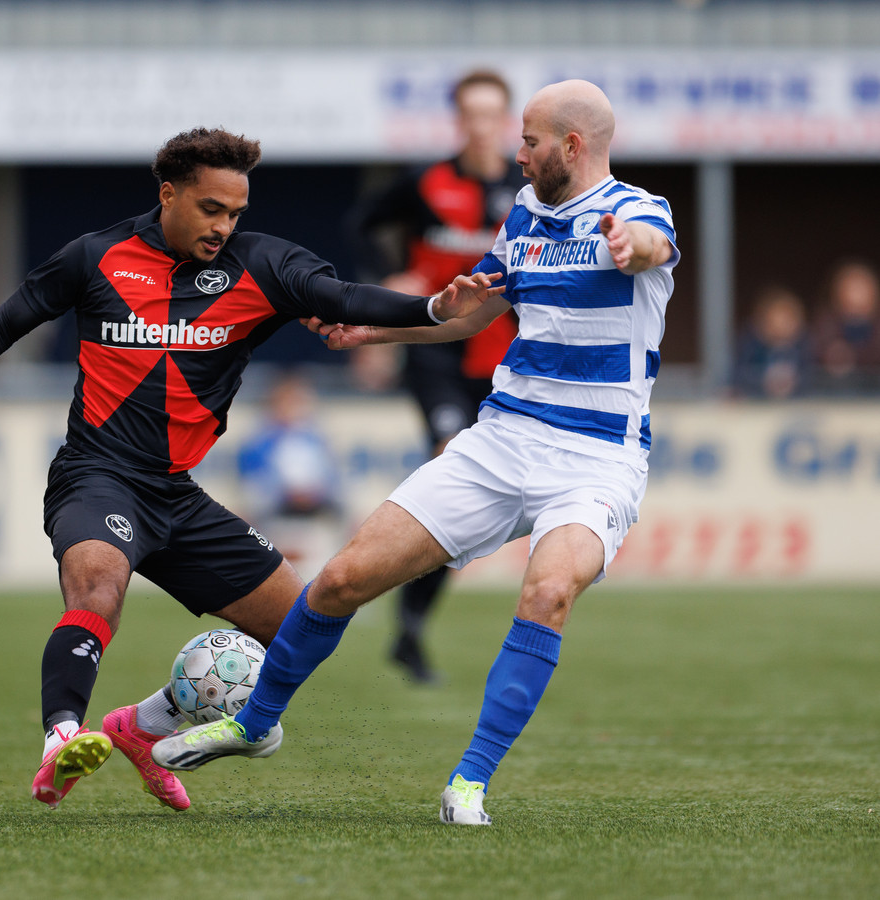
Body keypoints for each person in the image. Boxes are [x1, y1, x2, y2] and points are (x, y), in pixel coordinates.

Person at [0, 128, 497, 811]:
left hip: (177, 496)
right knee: (99, 586)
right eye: (210, 209)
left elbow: (344, 298)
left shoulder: (263, 266)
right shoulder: (95, 257)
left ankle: (140, 727)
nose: (224, 226)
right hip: (95, 476)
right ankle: (61, 739)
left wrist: (432, 308)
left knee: (300, 632)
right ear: (168, 194)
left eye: (235, 213)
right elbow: (2, 323)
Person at [152, 81, 678, 829]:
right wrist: (379, 334)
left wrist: (633, 247)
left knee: (547, 594)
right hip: (500, 440)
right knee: (341, 578)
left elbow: (651, 243)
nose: (516, 153)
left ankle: (468, 783)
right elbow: (476, 316)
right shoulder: (525, 213)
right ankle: (252, 721)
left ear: (571, 145)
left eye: (528, 141)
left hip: (596, 460)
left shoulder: (637, 212)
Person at [348, 68, 527, 684]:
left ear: (505, 121)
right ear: (458, 120)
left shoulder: (524, 188)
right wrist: (391, 276)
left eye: (491, 113)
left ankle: (410, 628)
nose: (481, 124)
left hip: (504, 358)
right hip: (436, 352)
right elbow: (364, 221)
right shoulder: (426, 182)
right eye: (470, 113)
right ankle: (367, 589)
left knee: (479, 498)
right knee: (452, 462)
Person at [235, 371, 344, 579]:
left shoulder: (316, 439)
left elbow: (331, 479)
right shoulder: (258, 441)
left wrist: (316, 493)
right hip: (276, 512)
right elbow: (252, 485)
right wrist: (285, 494)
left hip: (317, 509)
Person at [811, 259, 880, 396]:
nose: (856, 295)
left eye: (861, 288)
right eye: (851, 288)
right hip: (836, 398)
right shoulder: (826, 324)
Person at [732, 284, 811, 399]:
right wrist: (763, 382)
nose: (780, 326)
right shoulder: (752, 346)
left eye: (786, 320)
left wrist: (794, 382)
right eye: (775, 320)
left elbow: (814, 376)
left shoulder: (805, 346)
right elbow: (738, 375)